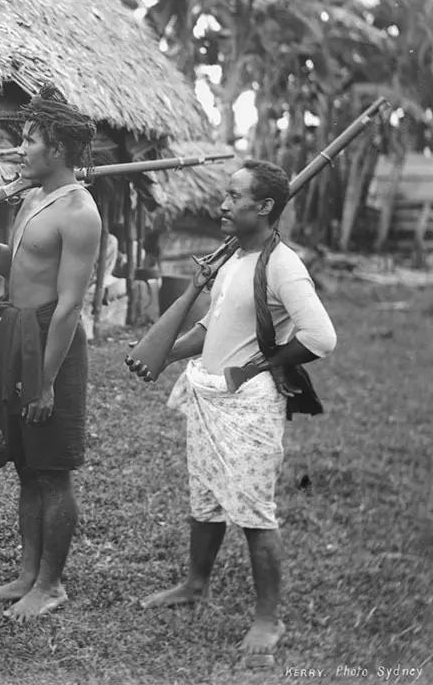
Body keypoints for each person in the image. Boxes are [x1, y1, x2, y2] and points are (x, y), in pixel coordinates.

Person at [128, 159, 337, 657]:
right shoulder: (234, 260)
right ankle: (194, 585)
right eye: (225, 195)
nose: (222, 205)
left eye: (234, 197)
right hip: (207, 395)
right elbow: (211, 331)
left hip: (248, 406)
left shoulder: (283, 265)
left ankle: (269, 620)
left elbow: (322, 337)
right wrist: (159, 354)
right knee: (206, 500)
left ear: (264, 207)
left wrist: (262, 363)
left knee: (254, 513)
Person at [0, 84, 101, 622]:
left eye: (30, 140)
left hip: (49, 340)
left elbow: (67, 306)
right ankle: (26, 572)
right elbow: (15, 269)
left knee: (52, 469)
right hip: (17, 331)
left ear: (57, 149)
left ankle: (51, 584)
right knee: (25, 463)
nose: (20, 149)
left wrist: (45, 380)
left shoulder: (81, 213)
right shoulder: (34, 197)